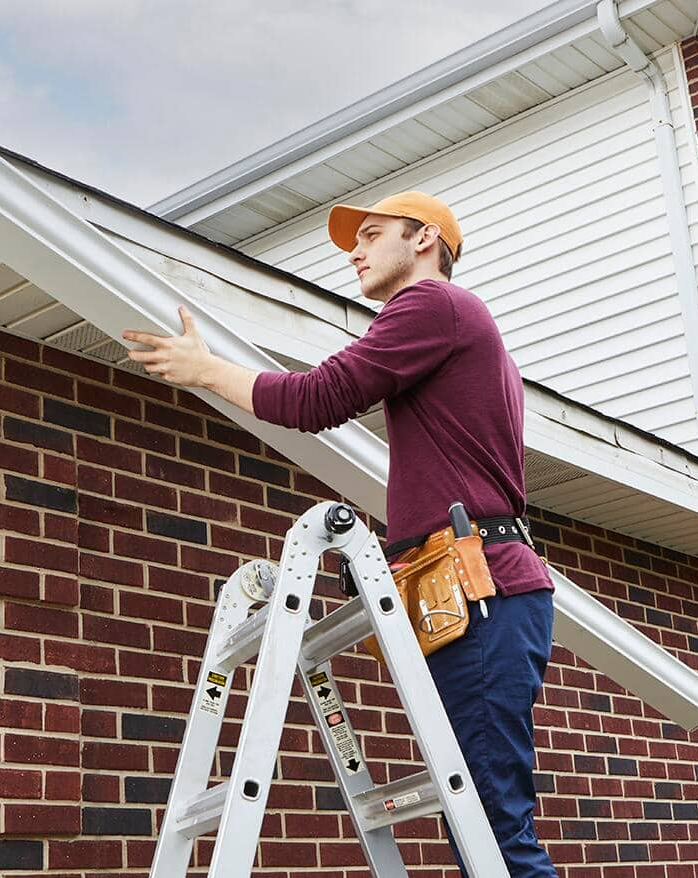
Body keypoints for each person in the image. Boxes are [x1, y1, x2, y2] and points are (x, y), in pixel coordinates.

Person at [122, 191, 557, 877]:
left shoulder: (433, 303)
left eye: (372, 235)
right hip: (468, 587)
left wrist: (206, 370)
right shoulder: (446, 322)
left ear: (424, 239)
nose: (355, 252)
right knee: (479, 829)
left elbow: (317, 398)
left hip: (481, 587)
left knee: (495, 833)